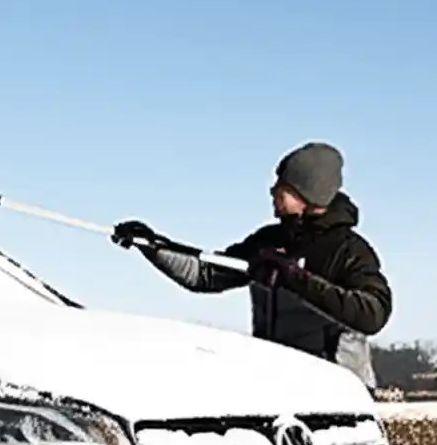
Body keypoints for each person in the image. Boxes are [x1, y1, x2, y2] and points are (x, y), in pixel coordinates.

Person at [111, 141, 392, 388]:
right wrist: (150, 245)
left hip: (338, 391)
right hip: (278, 383)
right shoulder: (267, 241)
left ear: (308, 193)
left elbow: (373, 314)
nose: (272, 191)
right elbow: (204, 273)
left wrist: (293, 278)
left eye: (282, 186)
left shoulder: (349, 249)